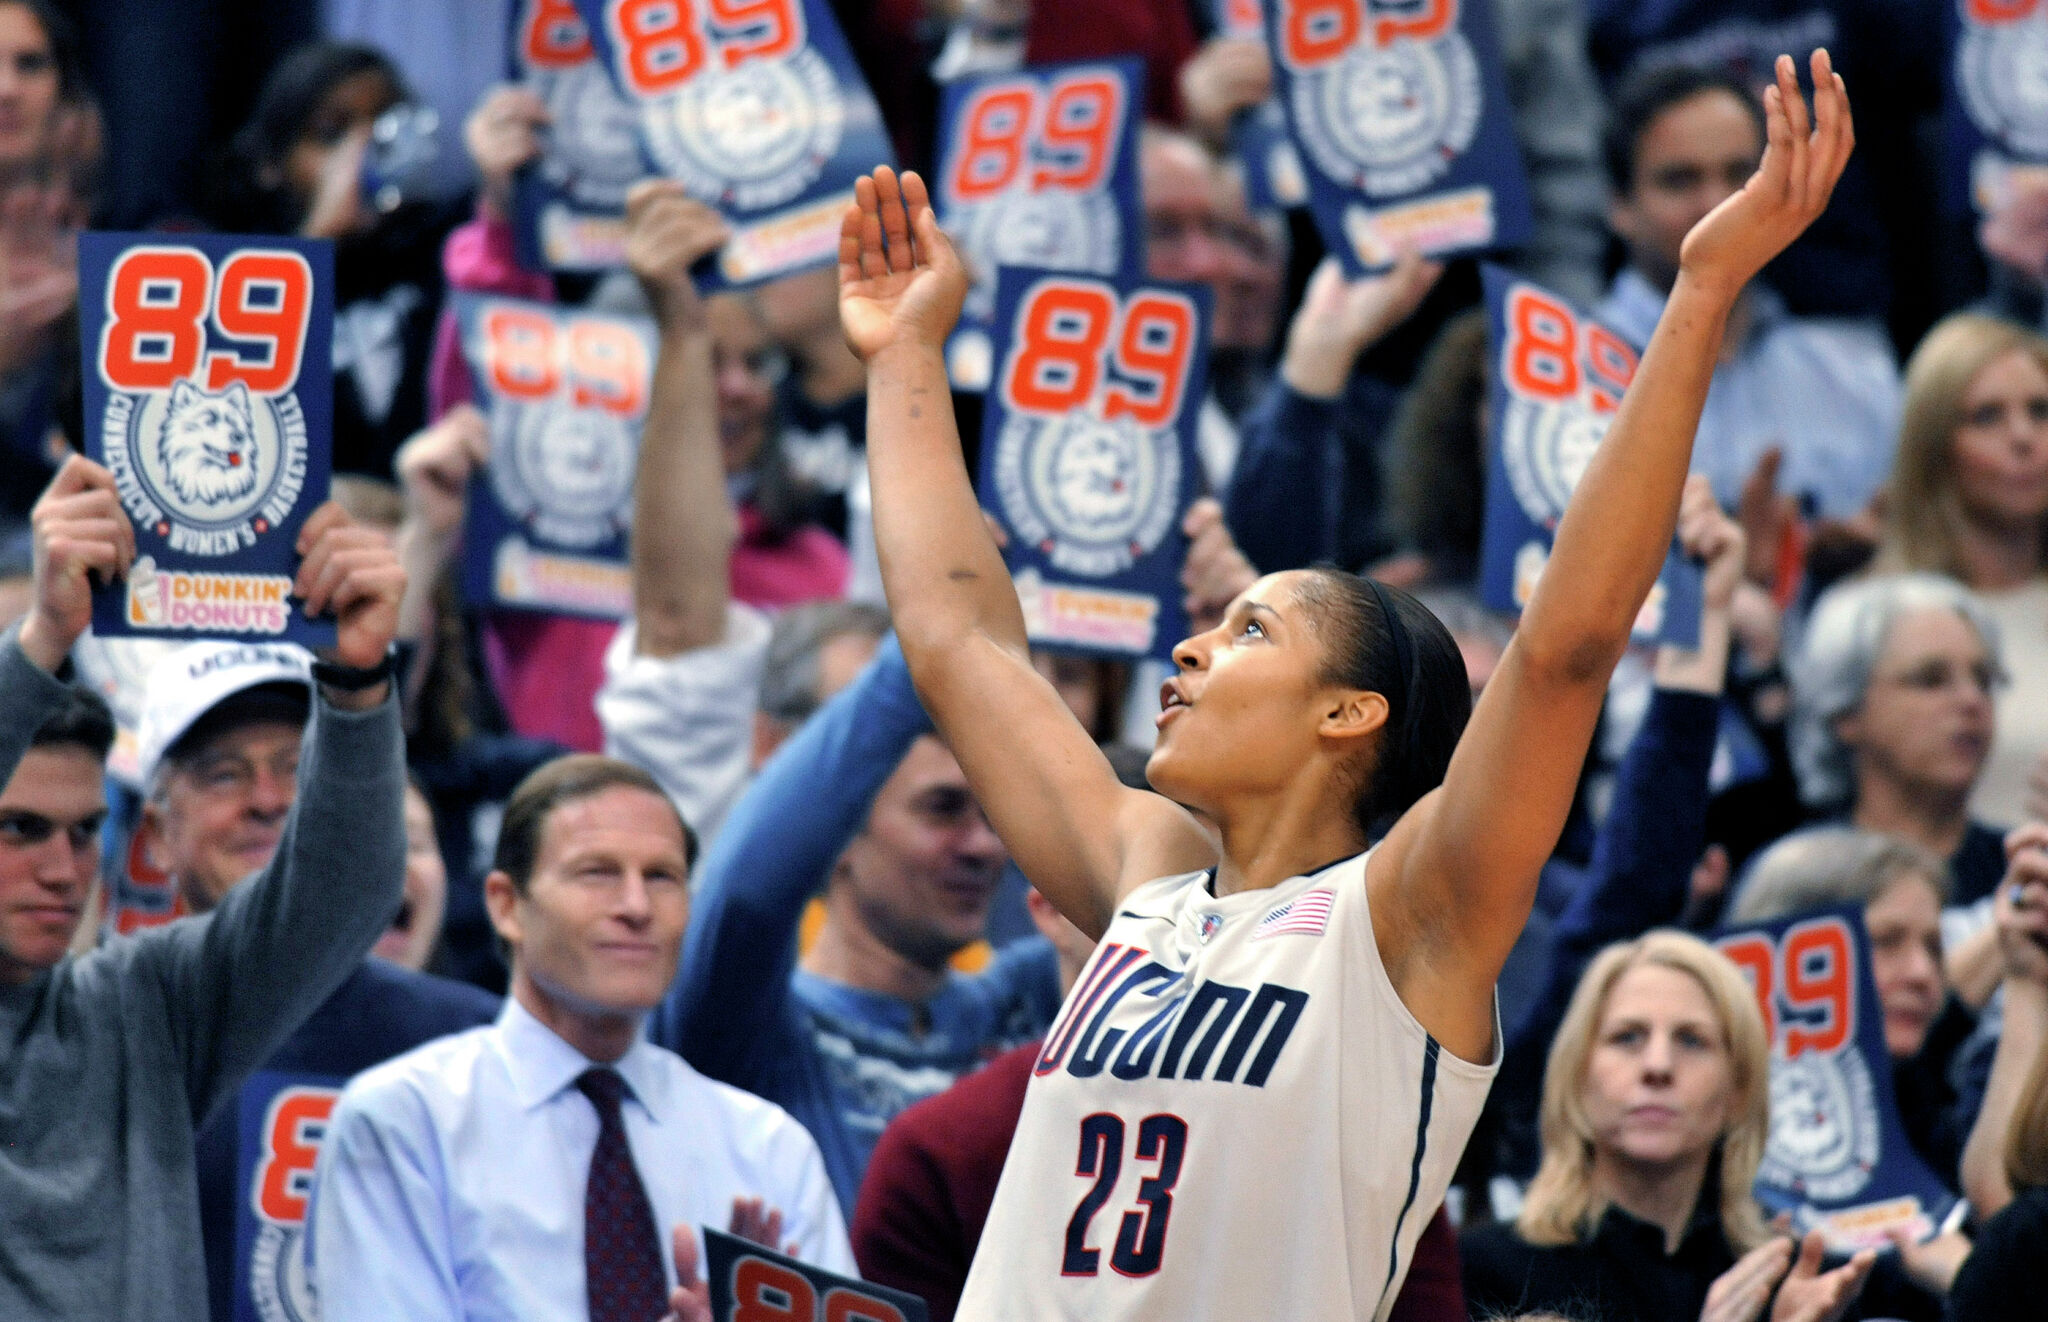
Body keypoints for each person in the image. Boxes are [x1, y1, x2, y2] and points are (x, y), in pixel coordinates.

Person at [838, 46, 1853, 1317]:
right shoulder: (1147, 874)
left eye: (1249, 630)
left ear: (1348, 711)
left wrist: (1699, 287)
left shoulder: (1409, 917)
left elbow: (1564, 649)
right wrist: (903, 355)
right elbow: (958, 640)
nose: (1190, 647)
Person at [0, 454, 409, 1321]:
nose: (62, 869)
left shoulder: (141, 1003)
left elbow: (343, 893)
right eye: (19, 829)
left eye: (83, 833)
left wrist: (357, 680)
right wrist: (42, 640)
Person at [308, 754, 852, 1321]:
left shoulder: (769, 1150)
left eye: (662, 877)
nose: (637, 907)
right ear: (506, 905)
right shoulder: (405, 1121)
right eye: (597, 873)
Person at [118, 638, 503, 1322]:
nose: (269, 800)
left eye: (300, 768)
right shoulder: (98, 1032)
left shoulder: (475, 1042)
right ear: (156, 836)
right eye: (224, 775)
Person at [648, 632, 1059, 1215]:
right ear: (835, 840)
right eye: (943, 809)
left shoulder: (1026, 1002)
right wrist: (926, 635)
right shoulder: (755, 1033)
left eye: (992, 814)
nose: (984, 846)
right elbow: (748, 898)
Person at [1461, 932, 1875, 1322]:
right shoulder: (1482, 1272)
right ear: (1578, 1078)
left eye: (1692, 1040)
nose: (1657, 1066)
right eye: (1627, 1037)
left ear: (1738, 1090)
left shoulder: (1801, 1284)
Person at [1596, 62, 1899, 524]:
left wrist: (1858, 557)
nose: (1717, 205)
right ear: (1619, 205)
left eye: (1742, 174)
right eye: (1680, 180)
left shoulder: (1859, 372)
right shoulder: (1563, 380)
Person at [210, 41, 462, 480]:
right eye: (331, 135)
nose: (366, 153)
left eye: (388, 127)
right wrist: (320, 236)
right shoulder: (239, 277)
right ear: (272, 164)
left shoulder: (449, 252)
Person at [1872, 315, 2048, 829]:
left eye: (2041, 411)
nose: (2025, 437)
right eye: (1987, 416)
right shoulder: (1875, 616)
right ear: (1931, 444)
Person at [1787, 575, 2009, 904]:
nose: (1972, 700)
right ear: (1845, 710)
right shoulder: (1797, 880)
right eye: (1931, 680)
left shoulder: (2026, 869)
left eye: (1983, 680)